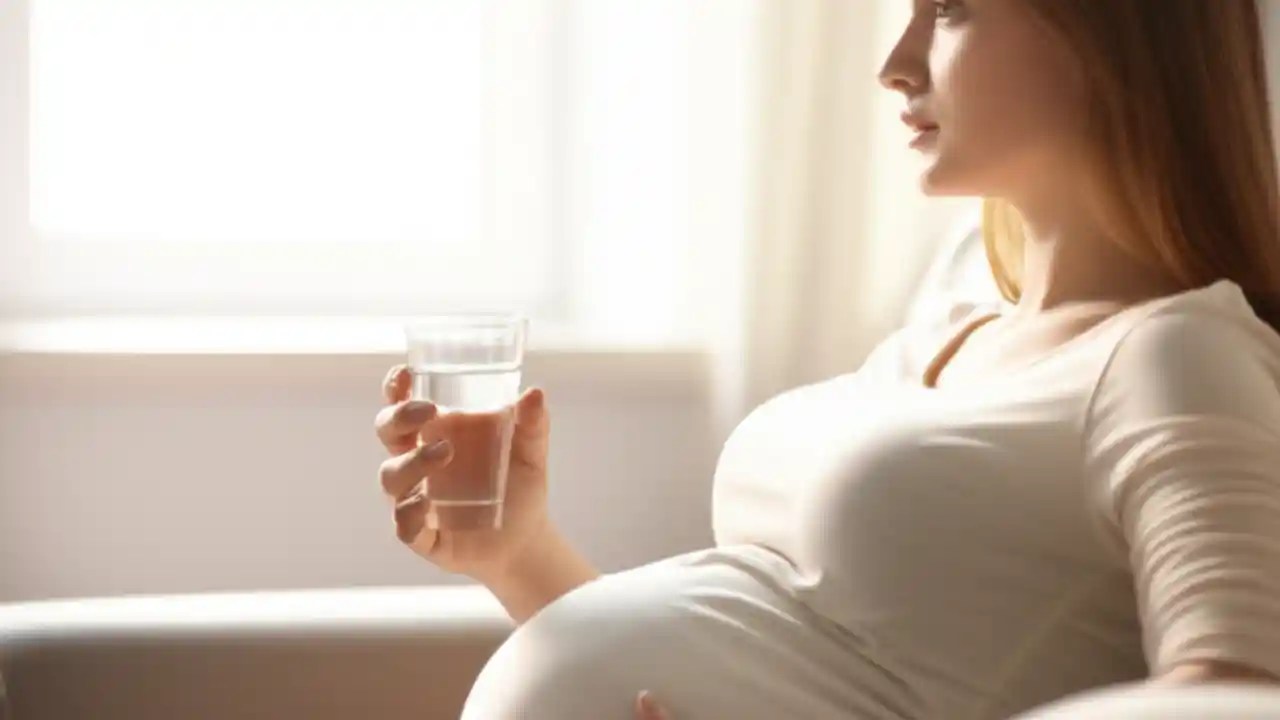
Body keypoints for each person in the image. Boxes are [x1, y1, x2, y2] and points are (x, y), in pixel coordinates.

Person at [373, 1, 1280, 718]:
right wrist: (518, 552)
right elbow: (797, 660)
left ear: (1115, 34)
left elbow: (1232, 699)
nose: (897, 63)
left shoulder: (1176, 356)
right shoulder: (942, 335)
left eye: (951, 9)